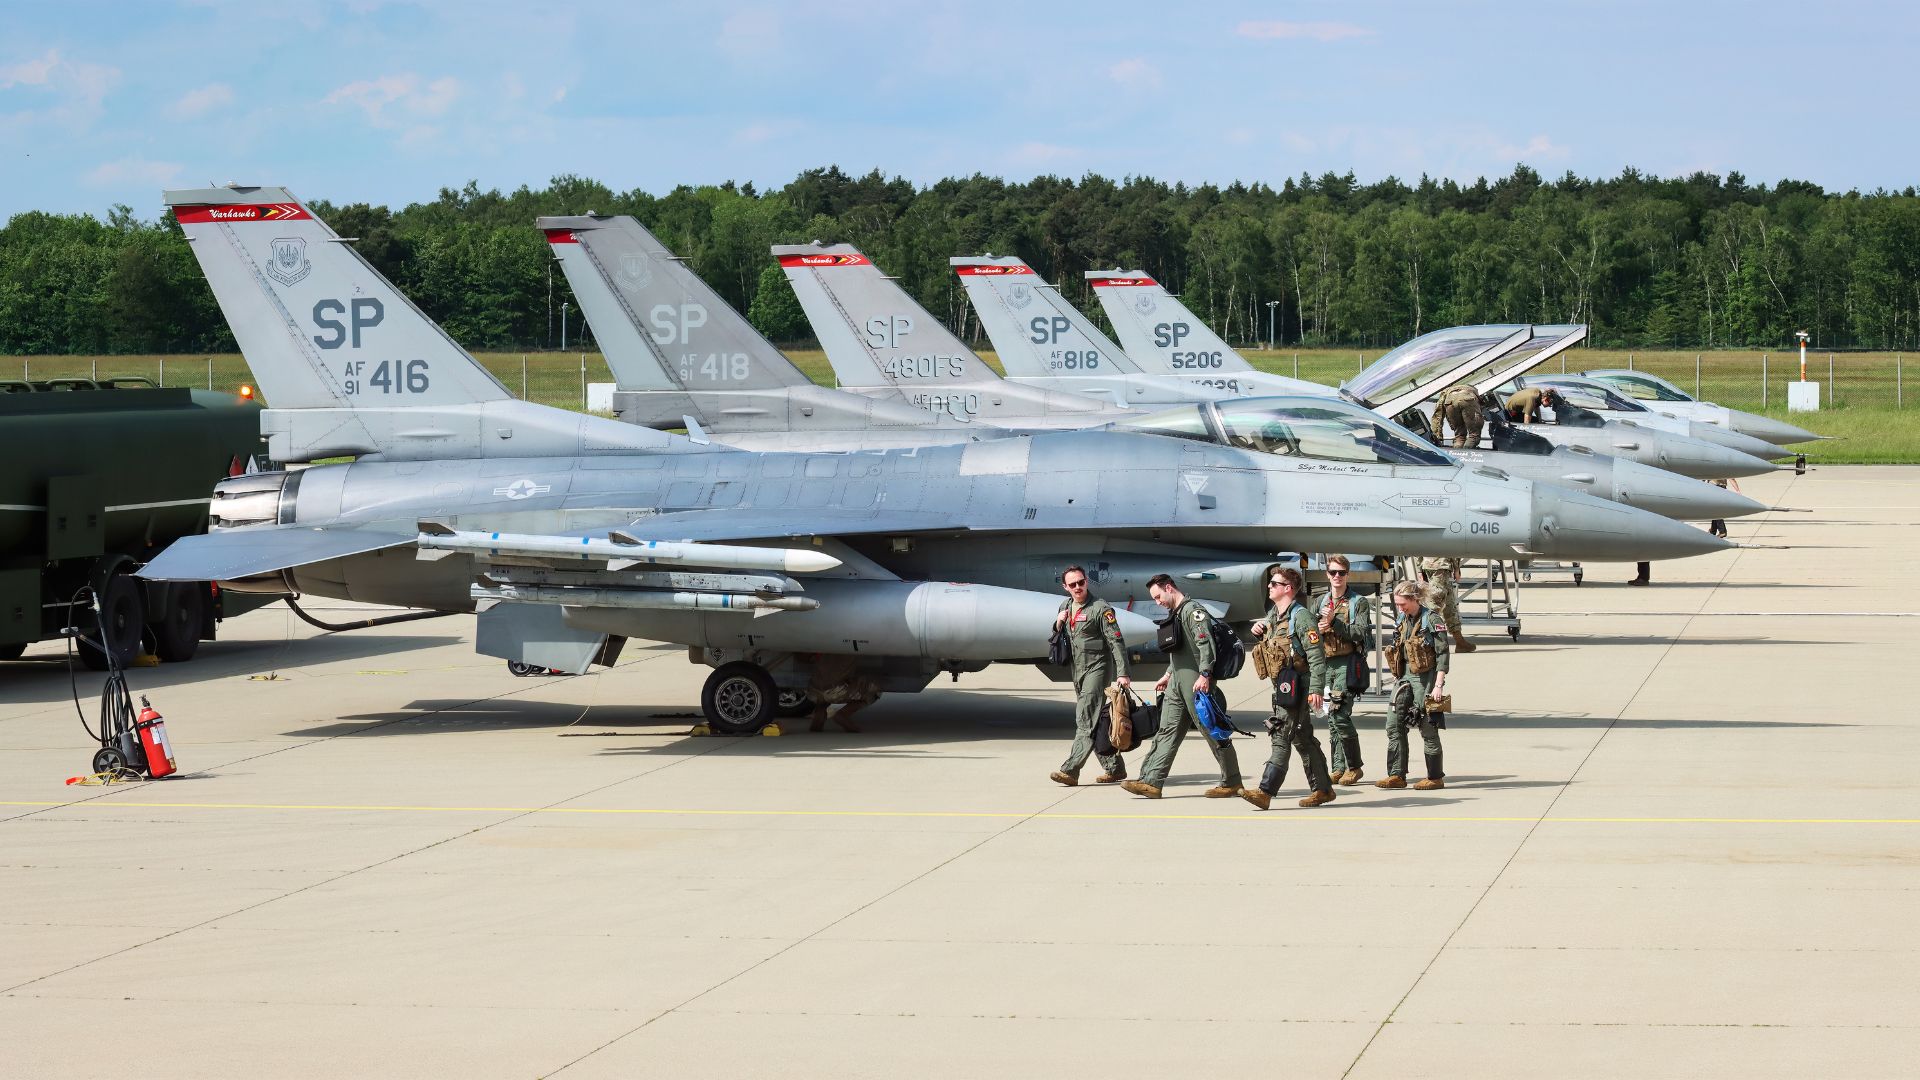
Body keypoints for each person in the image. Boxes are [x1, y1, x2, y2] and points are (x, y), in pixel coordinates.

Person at [1121, 575, 1245, 800]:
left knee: (1211, 729)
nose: (1157, 601)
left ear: (1169, 588)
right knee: (1167, 730)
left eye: (1158, 596)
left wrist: (1205, 674)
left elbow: (1205, 644)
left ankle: (1232, 781)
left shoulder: (1193, 611)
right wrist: (1168, 674)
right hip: (1177, 682)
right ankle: (1150, 781)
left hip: (1196, 682)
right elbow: (1179, 649)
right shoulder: (1176, 613)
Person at [1241, 566, 1335, 810]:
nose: (1269, 586)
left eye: (1274, 583)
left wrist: (1316, 690)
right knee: (1302, 738)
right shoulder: (1274, 615)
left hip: (1299, 687)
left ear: (1288, 588)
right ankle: (1323, 790)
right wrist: (1259, 631)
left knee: (1280, 733)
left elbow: (1316, 656)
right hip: (1284, 687)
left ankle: (1265, 792)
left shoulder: (1302, 617)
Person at [1049, 565, 1131, 787]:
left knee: (1085, 719)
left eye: (1081, 582)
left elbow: (1116, 641)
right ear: (1065, 587)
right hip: (1078, 670)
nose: (1078, 587)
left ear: (1086, 581)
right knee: (1095, 721)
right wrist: (1058, 622)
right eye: (1073, 584)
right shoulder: (1066, 606)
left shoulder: (1100, 609)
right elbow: (1059, 635)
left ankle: (1071, 769)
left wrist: (1123, 673)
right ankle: (1114, 768)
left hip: (1097, 669)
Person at [1379, 581, 1449, 790]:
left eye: (1403, 604)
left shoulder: (1432, 620)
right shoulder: (1402, 619)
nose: (1400, 608)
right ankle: (1396, 775)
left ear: (1414, 599)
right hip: (1404, 679)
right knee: (1393, 725)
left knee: (1428, 727)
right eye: (1397, 604)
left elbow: (1443, 654)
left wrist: (1438, 686)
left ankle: (1435, 777)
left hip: (1426, 680)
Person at [1313, 555, 1373, 784]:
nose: (1337, 576)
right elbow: (1308, 633)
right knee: (1331, 718)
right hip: (1326, 664)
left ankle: (1354, 766)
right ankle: (1338, 767)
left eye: (1341, 572)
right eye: (1333, 572)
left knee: (1339, 714)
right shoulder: (1320, 601)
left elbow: (1359, 632)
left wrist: (1333, 623)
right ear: (1327, 575)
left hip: (1347, 664)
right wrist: (1318, 630)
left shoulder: (1358, 602)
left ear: (1348, 574)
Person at [1418, 556, 1476, 653]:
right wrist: (1456, 568)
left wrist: (1419, 567)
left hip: (1429, 565)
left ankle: (1459, 641)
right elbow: (1451, 549)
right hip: (1440, 565)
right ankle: (1423, 641)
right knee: (1435, 603)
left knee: (1449, 603)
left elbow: (1418, 548)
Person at [1436, 384, 1482, 448]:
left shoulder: (1446, 392)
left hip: (1450, 402)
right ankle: (1468, 451)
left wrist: (1438, 436)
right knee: (1473, 435)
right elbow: (1480, 404)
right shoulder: (1471, 389)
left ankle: (1458, 451)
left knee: (1459, 437)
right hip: (1468, 398)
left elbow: (1437, 415)